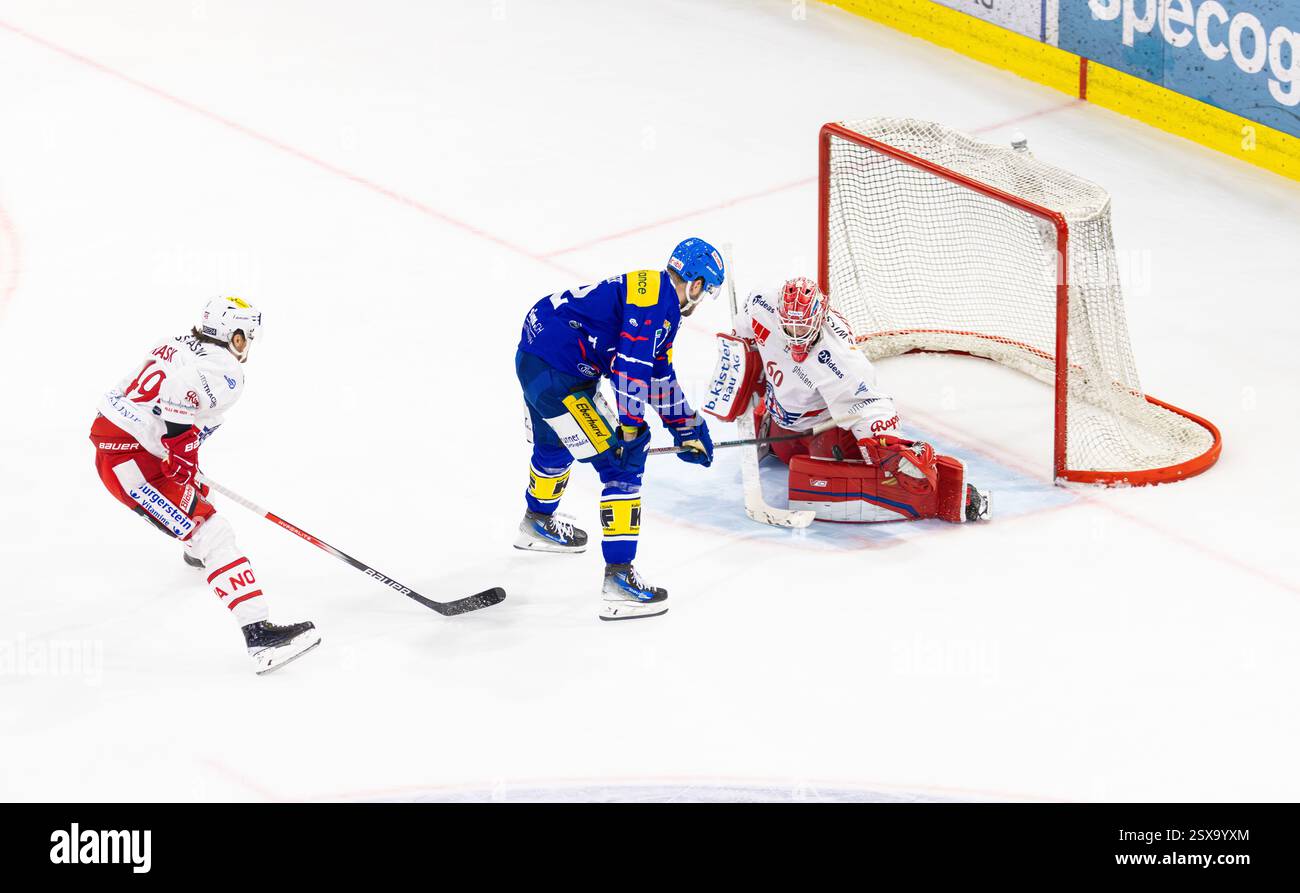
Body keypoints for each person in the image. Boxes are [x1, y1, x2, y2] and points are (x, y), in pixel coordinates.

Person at [89, 296, 320, 673]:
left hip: (127, 447)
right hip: (133, 464)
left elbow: (147, 400)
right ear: (237, 337)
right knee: (213, 532)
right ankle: (259, 636)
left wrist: (180, 454)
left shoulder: (178, 343)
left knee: (198, 499)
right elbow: (179, 395)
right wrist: (178, 449)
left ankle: (196, 555)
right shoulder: (225, 370)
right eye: (248, 338)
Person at [514, 238, 724, 620]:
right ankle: (619, 581)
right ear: (695, 283)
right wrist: (630, 431)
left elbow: (658, 374)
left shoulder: (655, 294)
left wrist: (687, 427)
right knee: (621, 466)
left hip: (538, 357)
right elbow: (629, 370)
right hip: (558, 373)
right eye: (705, 290)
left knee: (557, 442)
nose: (702, 298)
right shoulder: (656, 304)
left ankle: (537, 522)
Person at [717, 277, 989, 524]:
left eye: (803, 328)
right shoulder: (761, 303)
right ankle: (775, 429)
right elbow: (742, 338)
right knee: (788, 449)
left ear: (819, 317)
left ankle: (943, 490)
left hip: (821, 430)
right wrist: (742, 373)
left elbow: (871, 404)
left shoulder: (839, 358)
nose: (796, 335)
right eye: (790, 326)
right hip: (783, 423)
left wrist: (887, 445)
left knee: (862, 457)